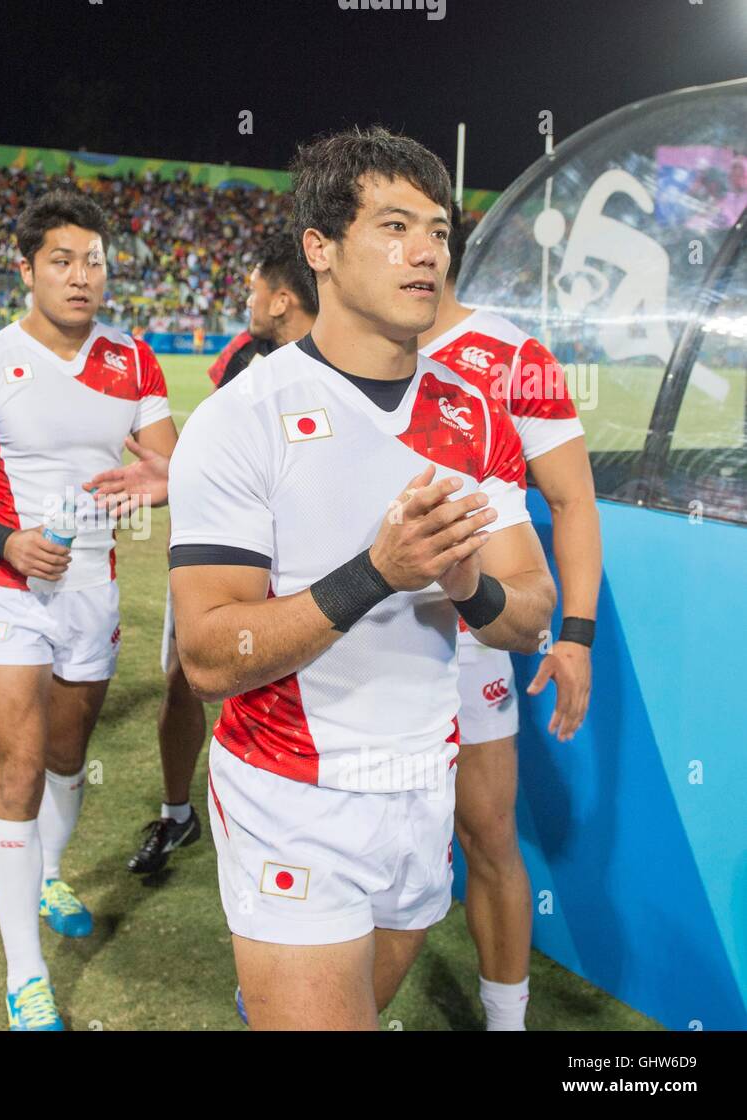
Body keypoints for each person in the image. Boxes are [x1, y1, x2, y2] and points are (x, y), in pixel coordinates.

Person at [167, 127, 556, 1030]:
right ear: (321, 249)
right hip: (291, 796)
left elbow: (529, 613)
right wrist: (377, 573)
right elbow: (209, 655)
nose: (427, 250)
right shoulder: (241, 421)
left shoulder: (475, 415)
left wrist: (468, 587)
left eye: (438, 230)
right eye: (393, 226)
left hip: (425, 788)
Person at [0, 190, 177, 1030]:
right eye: (62, 260)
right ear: (26, 269)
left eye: (94, 260)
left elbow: (166, 470)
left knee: (68, 759)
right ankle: (25, 975)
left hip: (94, 586)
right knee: (20, 768)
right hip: (7, 590)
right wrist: (5, 542)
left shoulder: (134, 361)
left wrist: (162, 484)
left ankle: (50, 872)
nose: (81, 276)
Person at [419, 205, 600, 1030]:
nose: (409, 249)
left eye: (422, 230)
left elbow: (570, 497)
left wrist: (575, 634)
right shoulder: (335, 349)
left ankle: (506, 1020)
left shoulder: (512, 356)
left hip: (472, 639)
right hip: (346, 640)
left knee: (486, 837)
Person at [121, 232, 319, 876]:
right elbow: (216, 463)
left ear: (283, 299)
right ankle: (178, 814)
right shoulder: (243, 360)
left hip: (310, 571)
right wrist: (176, 477)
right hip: (231, 561)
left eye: (256, 287)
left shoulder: (350, 364)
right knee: (189, 679)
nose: (247, 298)